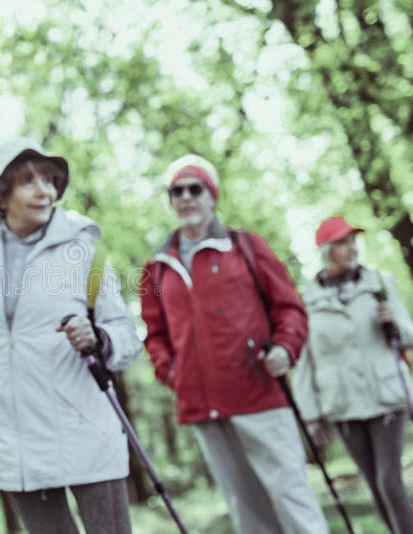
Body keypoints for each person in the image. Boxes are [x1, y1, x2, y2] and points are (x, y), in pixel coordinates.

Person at [0, 138, 142, 534]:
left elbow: (126, 334)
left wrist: (99, 338)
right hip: (12, 447)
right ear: (1, 196)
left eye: (49, 180)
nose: (45, 191)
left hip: (85, 435)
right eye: (29, 182)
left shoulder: (83, 248)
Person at [139, 154, 329, 533]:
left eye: (196, 189)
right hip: (201, 405)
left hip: (258, 393)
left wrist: (284, 349)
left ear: (212, 197)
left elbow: (291, 309)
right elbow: (155, 335)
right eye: (177, 191)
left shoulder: (246, 247)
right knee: (245, 507)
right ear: (170, 200)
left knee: (291, 496)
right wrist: (174, 373)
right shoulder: (156, 269)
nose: (186, 197)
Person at [291, 215, 413, 534]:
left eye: (352, 241)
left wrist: (395, 325)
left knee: (389, 481)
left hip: (386, 396)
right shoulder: (308, 302)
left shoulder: (379, 285)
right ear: (326, 251)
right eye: (342, 243)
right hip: (344, 407)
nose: (350, 248)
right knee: (374, 484)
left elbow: (409, 335)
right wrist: (311, 417)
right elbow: (305, 363)